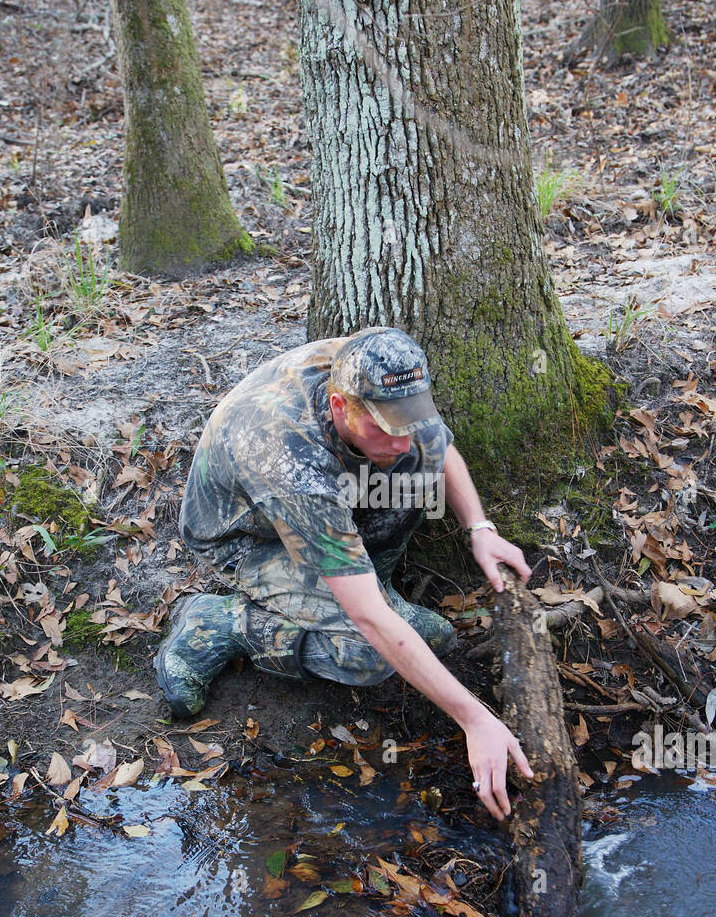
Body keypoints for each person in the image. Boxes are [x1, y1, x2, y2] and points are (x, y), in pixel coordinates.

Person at [155, 326, 534, 820]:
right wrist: (474, 719)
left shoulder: (387, 373)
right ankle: (217, 623)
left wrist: (480, 528)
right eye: (387, 428)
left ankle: (358, 579)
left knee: (412, 473)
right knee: (369, 654)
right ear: (339, 407)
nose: (403, 440)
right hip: (249, 536)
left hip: (326, 503)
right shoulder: (289, 456)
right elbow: (371, 622)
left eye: (409, 423)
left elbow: (438, 446)